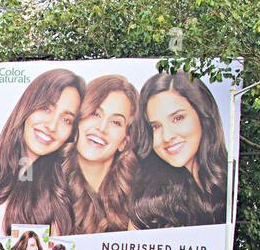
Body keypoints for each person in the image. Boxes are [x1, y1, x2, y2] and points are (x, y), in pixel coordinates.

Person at [0, 68, 84, 240]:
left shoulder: (59, 194)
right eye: (46, 108)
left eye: (66, 120)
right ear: (28, 107)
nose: (52, 125)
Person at [130, 71, 229, 229]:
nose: (167, 136)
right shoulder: (147, 203)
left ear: (203, 115)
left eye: (178, 118)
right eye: (156, 126)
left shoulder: (232, 182)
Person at [64, 74, 138, 233]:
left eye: (116, 122)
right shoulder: (49, 184)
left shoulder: (137, 196)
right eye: (95, 114)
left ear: (124, 141)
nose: (102, 128)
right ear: (78, 119)